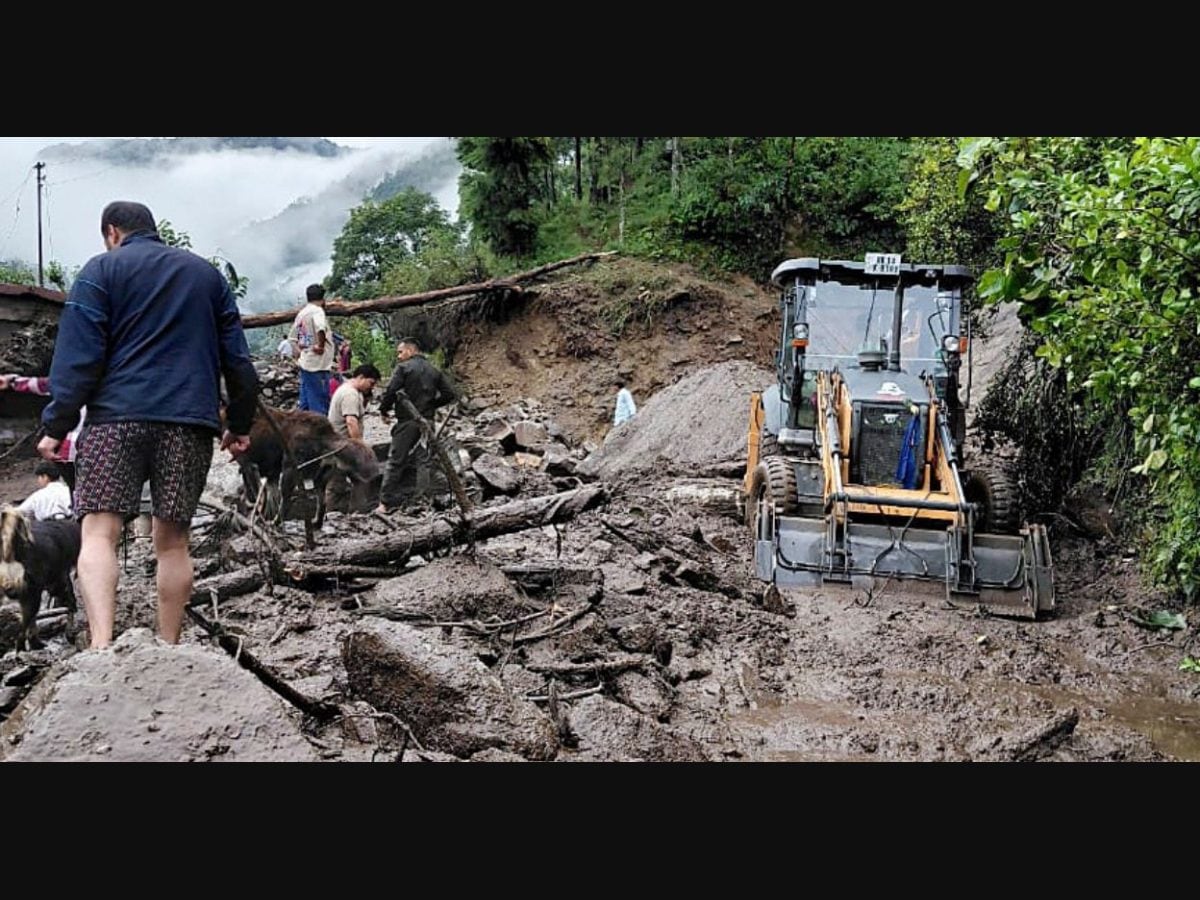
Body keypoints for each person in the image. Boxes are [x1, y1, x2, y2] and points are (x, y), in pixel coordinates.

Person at [39, 200, 258, 650]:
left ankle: (100, 646)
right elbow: (238, 360)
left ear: (112, 232)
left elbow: (78, 360)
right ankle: (170, 645)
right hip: (188, 422)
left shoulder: (100, 271)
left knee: (99, 531)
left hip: (114, 421)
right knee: (173, 541)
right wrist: (238, 422)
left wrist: (57, 424)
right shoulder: (208, 276)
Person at [375, 338, 458, 513]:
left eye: (400, 352)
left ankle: (385, 502)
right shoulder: (434, 370)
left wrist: (384, 409)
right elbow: (449, 394)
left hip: (407, 421)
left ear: (411, 351)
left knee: (396, 461)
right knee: (424, 462)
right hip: (427, 422)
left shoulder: (403, 368)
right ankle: (422, 501)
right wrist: (432, 405)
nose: (398, 356)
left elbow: (391, 390)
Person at [0, 373, 85, 489]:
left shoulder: (76, 380)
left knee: (80, 492)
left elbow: (47, 385)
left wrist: (13, 382)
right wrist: (13, 382)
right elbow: (45, 385)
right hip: (89, 449)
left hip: (73, 450)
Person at [287, 284, 334, 415]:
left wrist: (302, 353)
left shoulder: (302, 314)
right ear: (323, 298)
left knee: (305, 403)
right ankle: (319, 434)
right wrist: (320, 346)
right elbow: (320, 327)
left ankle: (300, 431)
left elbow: (292, 338)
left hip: (306, 363)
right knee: (319, 403)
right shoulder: (317, 311)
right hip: (318, 365)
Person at [328, 364, 381, 440]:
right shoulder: (350, 394)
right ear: (361, 377)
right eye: (371, 383)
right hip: (342, 443)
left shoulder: (349, 388)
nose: (372, 387)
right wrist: (359, 446)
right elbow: (351, 422)